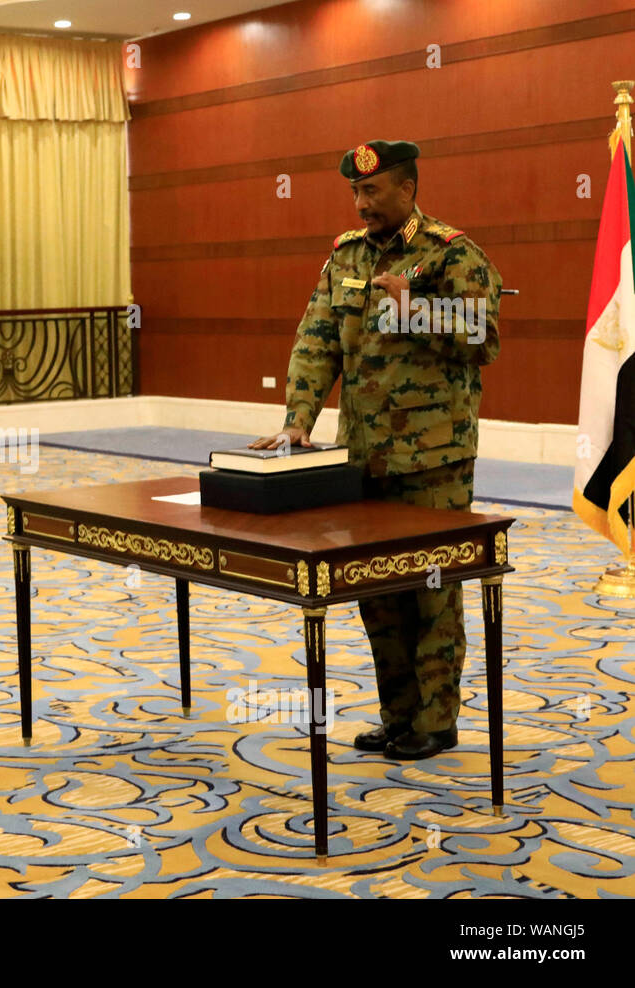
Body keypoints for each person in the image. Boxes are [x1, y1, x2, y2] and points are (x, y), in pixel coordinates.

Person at [249, 139, 501, 760]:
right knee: (376, 591)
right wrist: (297, 420)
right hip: (362, 456)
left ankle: (437, 722)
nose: (362, 204)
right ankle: (399, 717)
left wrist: (416, 309)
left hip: (434, 460)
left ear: (408, 189)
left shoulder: (450, 252)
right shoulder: (346, 255)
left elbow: (484, 335)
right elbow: (317, 338)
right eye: (356, 193)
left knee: (432, 588)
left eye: (373, 192)